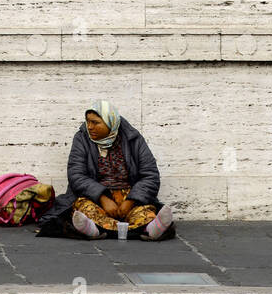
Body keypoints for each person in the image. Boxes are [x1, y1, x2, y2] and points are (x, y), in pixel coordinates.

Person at [37, 99, 175, 240]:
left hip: (130, 198)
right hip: (95, 198)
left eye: (95, 122)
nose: (90, 127)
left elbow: (150, 175)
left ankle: (138, 227)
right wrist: (103, 198)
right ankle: (135, 230)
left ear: (110, 122)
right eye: (88, 121)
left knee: (145, 212)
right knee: (85, 210)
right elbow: (76, 175)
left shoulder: (133, 139)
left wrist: (131, 201)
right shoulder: (82, 138)